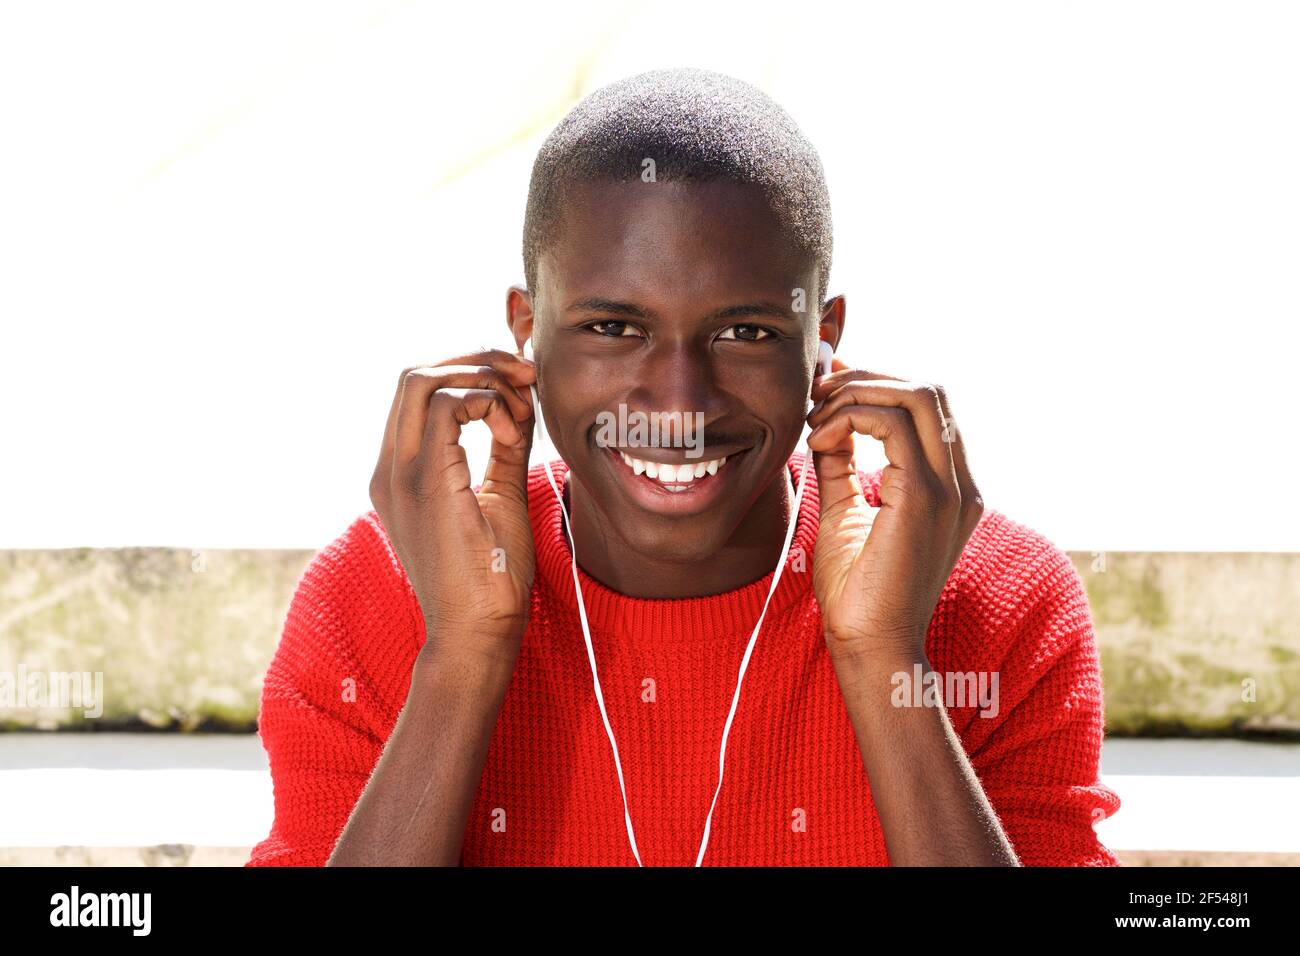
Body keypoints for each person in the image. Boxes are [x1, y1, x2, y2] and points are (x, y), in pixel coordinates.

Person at [246, 67, 1120, 867]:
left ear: (824, 342)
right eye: (613, 327)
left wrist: (884, 656)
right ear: (526, 331)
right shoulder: (375, 595)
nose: (677, 403)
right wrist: (464, 655)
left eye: (746, 332)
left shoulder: (997, 596)